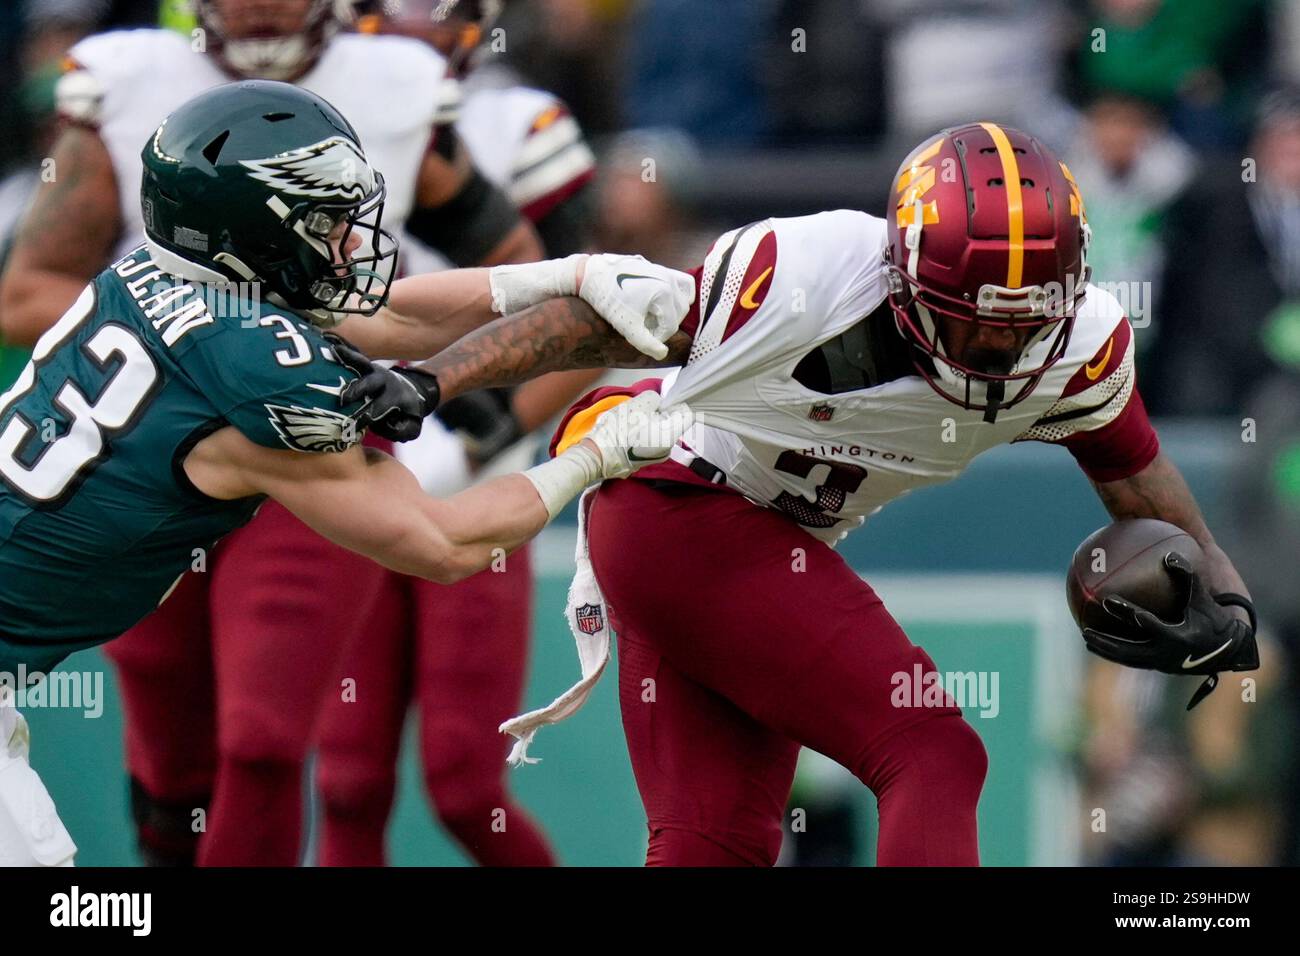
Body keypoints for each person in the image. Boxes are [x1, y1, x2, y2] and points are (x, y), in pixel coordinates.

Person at [348, 121, 1260, 865]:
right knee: (933, 751)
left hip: (719, 537)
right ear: (902, 276)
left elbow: (1135, 475)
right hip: (683, 505)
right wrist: (434, 382)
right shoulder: (806, 274)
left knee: (713, 843)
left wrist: (1222, 596)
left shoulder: (1079, 347)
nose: (995, 353)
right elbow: (597, 317)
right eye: (968, 321)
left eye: (1020, 330)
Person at [0, 79, 693, 867]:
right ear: (248, 234)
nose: (350, 245)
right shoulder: (252, 380)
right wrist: (595, 453)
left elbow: (391, 315)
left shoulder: (159, 277)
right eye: (326, 224)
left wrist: (564, 275)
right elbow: (444, 542)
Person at [314, 0, 600, 867]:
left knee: (465, 785)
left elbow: (597, 320)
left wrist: (484, 430)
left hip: (474, 475)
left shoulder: (517, 123)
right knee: (347, 782)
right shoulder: (309, 114)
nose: (414, 29)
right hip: (345, 458)